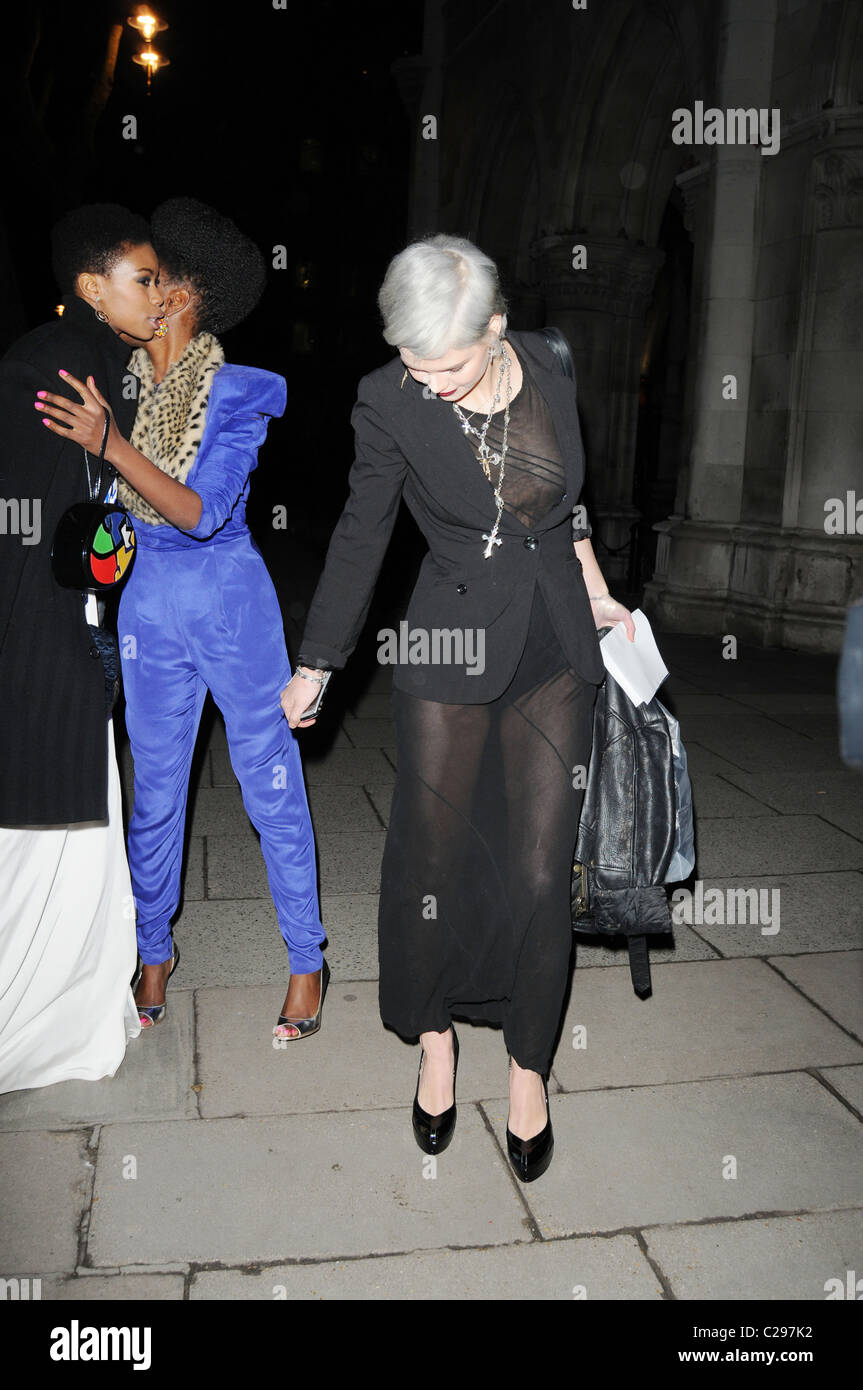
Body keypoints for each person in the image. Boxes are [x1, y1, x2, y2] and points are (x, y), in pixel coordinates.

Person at [281, 234, 634, 1181]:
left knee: (533, 870)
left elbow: (566, 508)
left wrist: (595, 591)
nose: (427, 381)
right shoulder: (385, 400)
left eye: (447, 363)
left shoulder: (550, 367)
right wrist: (317, 663)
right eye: (412, 361)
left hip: (556, 642)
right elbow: (361, 534)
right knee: (429, 856)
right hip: (448, 639)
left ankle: (528, 1069)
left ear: (496, 328)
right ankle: (435, 1041)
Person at [37, 197, 327, 1037]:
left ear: (185, 296)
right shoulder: (120, 385)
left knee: (268, 782)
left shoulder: (236, 391)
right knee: (154, 794)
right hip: (148, 605)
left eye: (156, 277)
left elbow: (201, 512)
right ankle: (152, 948)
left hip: (228, 599)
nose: (146, 290)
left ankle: (306, 959)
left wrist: (112, 448)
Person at [0, 203, 166, 1092]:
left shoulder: (111, 366)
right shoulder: (49, 365)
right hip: (44, 646)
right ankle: (32, 1027)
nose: (160, 293)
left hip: (84, 633)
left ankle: (71, 1013)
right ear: (91, 286)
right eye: (145, 279)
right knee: (41, 840)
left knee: (79, 839)